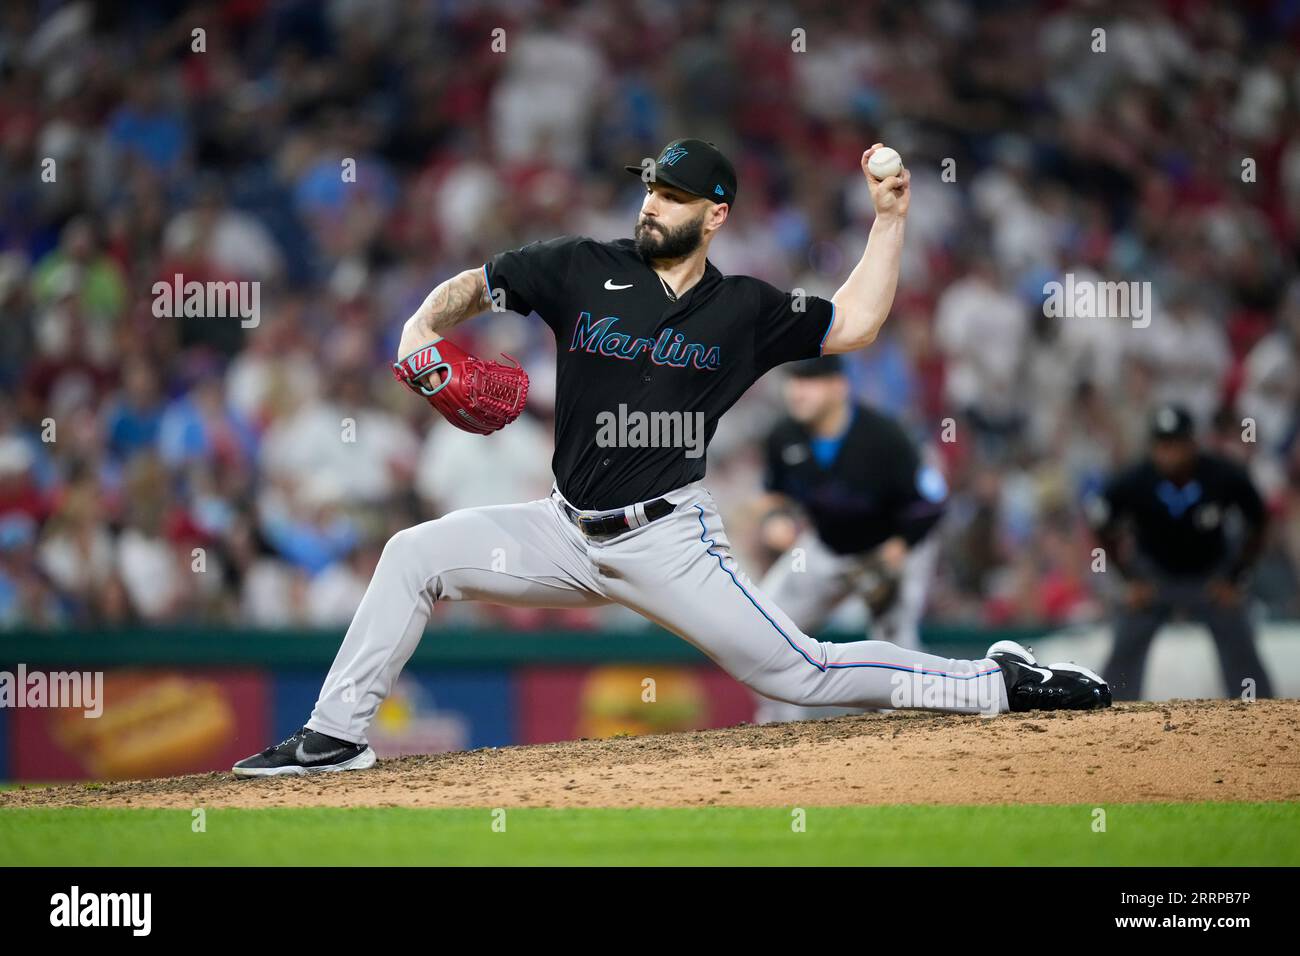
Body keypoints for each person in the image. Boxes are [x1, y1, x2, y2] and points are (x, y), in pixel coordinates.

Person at [233, 139, 1110, 777]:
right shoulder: (579, 266)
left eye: (676, 194)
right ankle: (336, 736)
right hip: (559, 528)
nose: (653, 202)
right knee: (412, 554)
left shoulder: (746, 310)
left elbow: (857, 322)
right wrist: (422, 329)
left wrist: (890, 220)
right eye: (652, 187)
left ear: (715, 214)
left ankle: (996, 683)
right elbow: (479, 283)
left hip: (668, 541)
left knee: (801, 672)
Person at [753, 354, 946, 723]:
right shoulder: (783, 435)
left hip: (889, 546)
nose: (797, 391)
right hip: (826, 546)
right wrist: (775, 517)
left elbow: (931, 501)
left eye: (809, 381)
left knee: (898, 651)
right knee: (763, 628)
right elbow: (774, 492)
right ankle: (777, 728)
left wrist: (900, 548)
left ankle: (904, 734)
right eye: (793, 380)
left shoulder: (885, 437)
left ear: (839, 387)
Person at [1089, 404, 1273, 700]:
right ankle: (1111, 712)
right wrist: (1129, 580)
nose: (1169, 453)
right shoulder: (1136, 479)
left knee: (1238, 635)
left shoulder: (1222, 475)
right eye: (1162, 445)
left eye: (1176, 445)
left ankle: (1260, 713)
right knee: (1126, 641)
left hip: (1211, 576)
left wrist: (1236, 578)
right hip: (1154, 577)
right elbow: (1100, 521)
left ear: (1191, 444)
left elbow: (1259, 520)